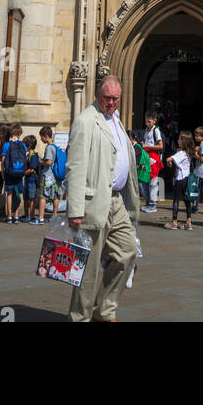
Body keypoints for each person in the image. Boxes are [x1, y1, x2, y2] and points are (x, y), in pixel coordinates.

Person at [66, 74, 139, 322]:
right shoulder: (86, 121)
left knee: (127, 252)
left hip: (116, 201)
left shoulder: (116, 120)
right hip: (93, 202)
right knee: (86, 269)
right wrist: (75, 209)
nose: (111, 102)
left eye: (115, 99)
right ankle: (80, 318)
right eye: (107, 98)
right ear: (98, 95)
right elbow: (75, 166)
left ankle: (103, 309)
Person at [165, 130, 197, 231]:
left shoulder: (182, 153)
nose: (178, 141)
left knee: (176, 200)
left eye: (179, 139)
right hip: (187, 178)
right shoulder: (188, 153)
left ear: (183, 141)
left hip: (180, 179)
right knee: (187, 201)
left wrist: (169, 162)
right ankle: (189, 221)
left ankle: (174, 222)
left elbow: (168, 159)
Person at [2, 122, 27, 224]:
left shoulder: (7, 145)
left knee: (9, 194)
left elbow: (3, 160)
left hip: (9, 172)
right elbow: (25, 158)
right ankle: (16, 217)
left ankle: (9, 217)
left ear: (11, 133)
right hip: (19, 172)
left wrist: (2, 172)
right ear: (20, 133)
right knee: (17, 194)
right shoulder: (23, 145)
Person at [141, 110, 163, 214]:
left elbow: (160, 146)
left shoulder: (156, 131)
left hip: (153, 157)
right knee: (143, 179)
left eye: (149, 121)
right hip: (146, 156)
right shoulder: (146, 130)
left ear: (154, 121)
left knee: (153, 181)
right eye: (146, 121)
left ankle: (153, 204)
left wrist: (147, 146)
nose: (148, 123)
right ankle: (148, 201)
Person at [38, 125, 60, 224]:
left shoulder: (50, 147)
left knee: (43, 196)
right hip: (55, 175)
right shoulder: (56, 146)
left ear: (46, 136)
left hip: (48, 175)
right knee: (55, 196)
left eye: (41, 137)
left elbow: (49, 162)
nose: (41, 139)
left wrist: (41, 162)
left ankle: (41, 218)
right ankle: (54, 217)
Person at [23, 135, 41, 222]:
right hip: (27, 180)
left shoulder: (33, 156)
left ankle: (32, 216)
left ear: (29, 146)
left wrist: (23, 173)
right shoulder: (28, 155)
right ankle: (26, 215)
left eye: (25, 145)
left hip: (32, 180)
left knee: (32, 199)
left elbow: (32, 169)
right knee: (26, 198)